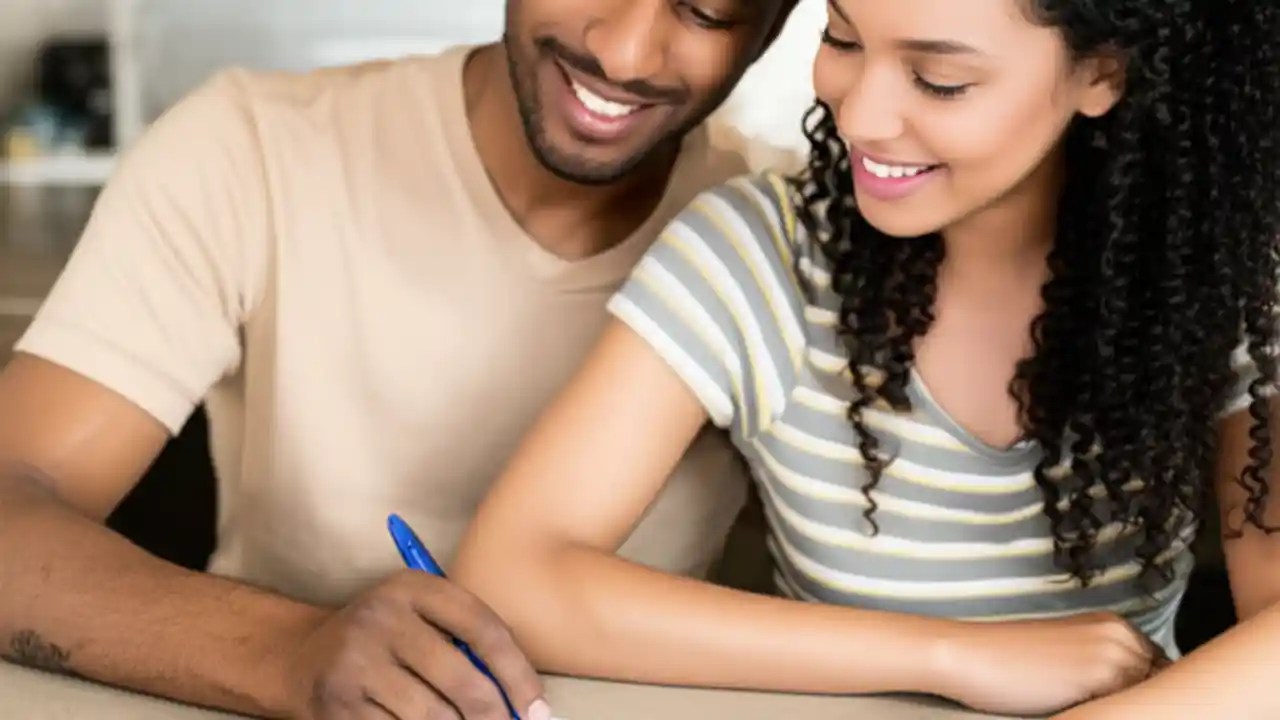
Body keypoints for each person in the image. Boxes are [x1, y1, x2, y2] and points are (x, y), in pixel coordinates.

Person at [453, 0, 1280, 717]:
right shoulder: (761, 255)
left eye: (940, 81)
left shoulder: (1226, 280)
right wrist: (952, 657)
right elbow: (512, 576)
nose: (860, 117)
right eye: (844, 40)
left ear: (1102, 74)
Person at [0, 0, 801, 718]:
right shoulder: (249, 148)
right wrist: (288, 653)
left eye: (705, 10)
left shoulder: (804, 241)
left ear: (773, 27)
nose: (625, 53)